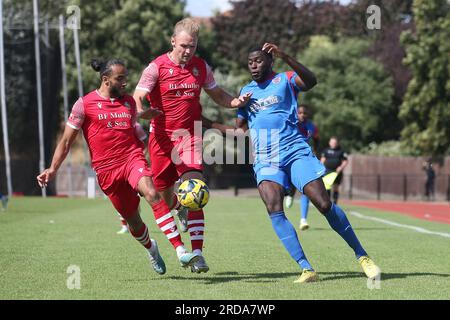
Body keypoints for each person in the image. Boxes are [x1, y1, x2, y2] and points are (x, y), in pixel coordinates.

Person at [232, 43, 380, 283]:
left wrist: (287, 56)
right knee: (273, 207)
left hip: (294, 151)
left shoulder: (285, 79)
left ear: (270, 61)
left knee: (322, 204)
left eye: (258, 61)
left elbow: (311, 81)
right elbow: (239, 128)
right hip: (265, 158)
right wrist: (239, 105)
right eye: (250, 62)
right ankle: (306, 268)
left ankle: (362, 256)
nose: (254, 66)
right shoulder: (246, 90)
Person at [37, 58, 200, 276]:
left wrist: (144, 115)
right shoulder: (84, 104)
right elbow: (66, 142)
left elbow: (131, 118)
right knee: (134, 222)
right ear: (106, 80)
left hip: (132, 159)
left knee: (152, 193)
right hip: (106, 171)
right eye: (120, 78)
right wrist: (52, 169)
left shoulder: (129, 103)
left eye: (126, 77)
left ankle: (180, 251)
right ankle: (151, 249)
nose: (125, 82)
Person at [133, 18, 251, 273]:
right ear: (173, 41)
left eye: (193, 46)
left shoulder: (200, 67)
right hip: (161, 140)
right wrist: (143, 112)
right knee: (164, 195)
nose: (188, 51)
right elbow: (138, 97)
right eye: (184, 45)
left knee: (195, 189)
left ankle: (197, 253)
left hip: (190, 137)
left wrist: (235, 102)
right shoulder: (156, 67)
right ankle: (178, 209)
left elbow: (217, 94)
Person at [284, 104, 320, 231]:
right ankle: (289, 193)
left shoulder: (312, 126)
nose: (302, 115)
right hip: (289, 155)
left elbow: (316, 139)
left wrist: (315, 151)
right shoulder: (290, 123)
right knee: (290, 179)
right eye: (300, 113)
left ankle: (303, 220)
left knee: (306, 188)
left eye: (305, 113)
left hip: (305, 157)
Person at [320, 137, 348, 204]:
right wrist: (321, 168)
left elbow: (345, 161)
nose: (333, 144)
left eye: (335, 143)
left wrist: (341, 167)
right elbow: (322, 160)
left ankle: (335, 203)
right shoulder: (326, 150)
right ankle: (328, 202)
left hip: (337, 172)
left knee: (336, 187)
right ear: (329, 143)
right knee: (327, 186)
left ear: (337, 143)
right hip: (327, 171)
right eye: (332, 142)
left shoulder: (341, 151)